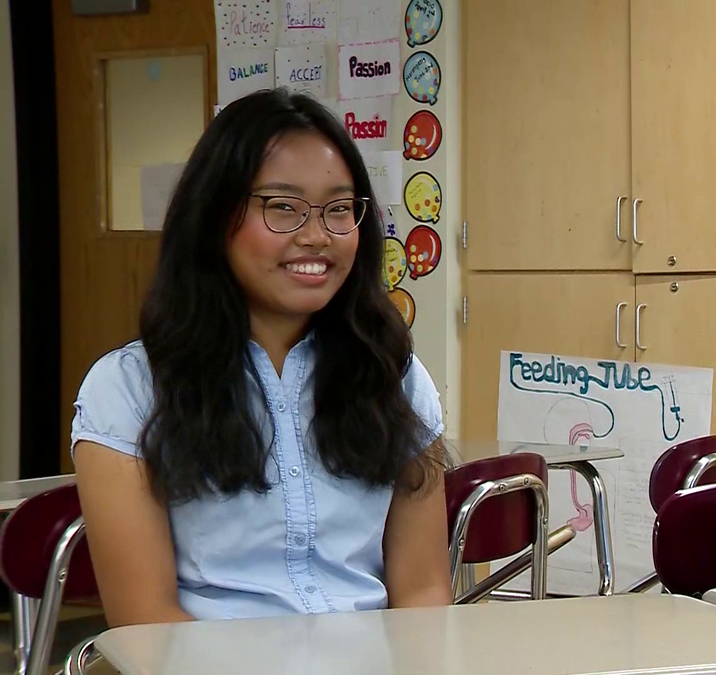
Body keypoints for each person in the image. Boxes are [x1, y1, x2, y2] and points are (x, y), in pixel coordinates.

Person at [71, 89, 451, 625]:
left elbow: (424, 591)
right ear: (215, 216)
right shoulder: (129, 388)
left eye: (339, 209)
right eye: (283, 208)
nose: (317, 236)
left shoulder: (394, 375)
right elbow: (146, 622)